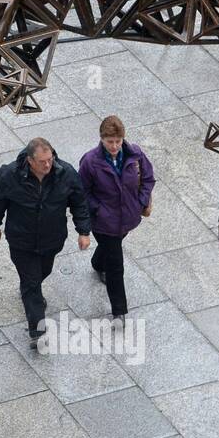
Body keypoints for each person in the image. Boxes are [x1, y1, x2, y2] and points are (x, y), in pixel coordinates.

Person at [0, 137, 92, 348]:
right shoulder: (9, 175)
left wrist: (83, 231)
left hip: (51, 239)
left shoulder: (66, 174)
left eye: (50, 159)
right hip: (21, 241)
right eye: (42, 161)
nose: (47, 165)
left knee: (42, 272)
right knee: (31, 283)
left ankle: (31, 290)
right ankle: (37, 330)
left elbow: (79, 203)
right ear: (30, 160)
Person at [77, 115, 155, 321]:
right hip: (103, 223)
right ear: (102, 139)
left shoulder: (135, 155)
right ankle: (119, 311)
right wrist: (99, 209)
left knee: (111, 249)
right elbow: (81, 191)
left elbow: (148, 178)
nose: (114, 146)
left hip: (127, 218)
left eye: (118, 141)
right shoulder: (90, 161)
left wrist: (141, 201)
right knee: (116, 265)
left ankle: (97, 263)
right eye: (110, 141)